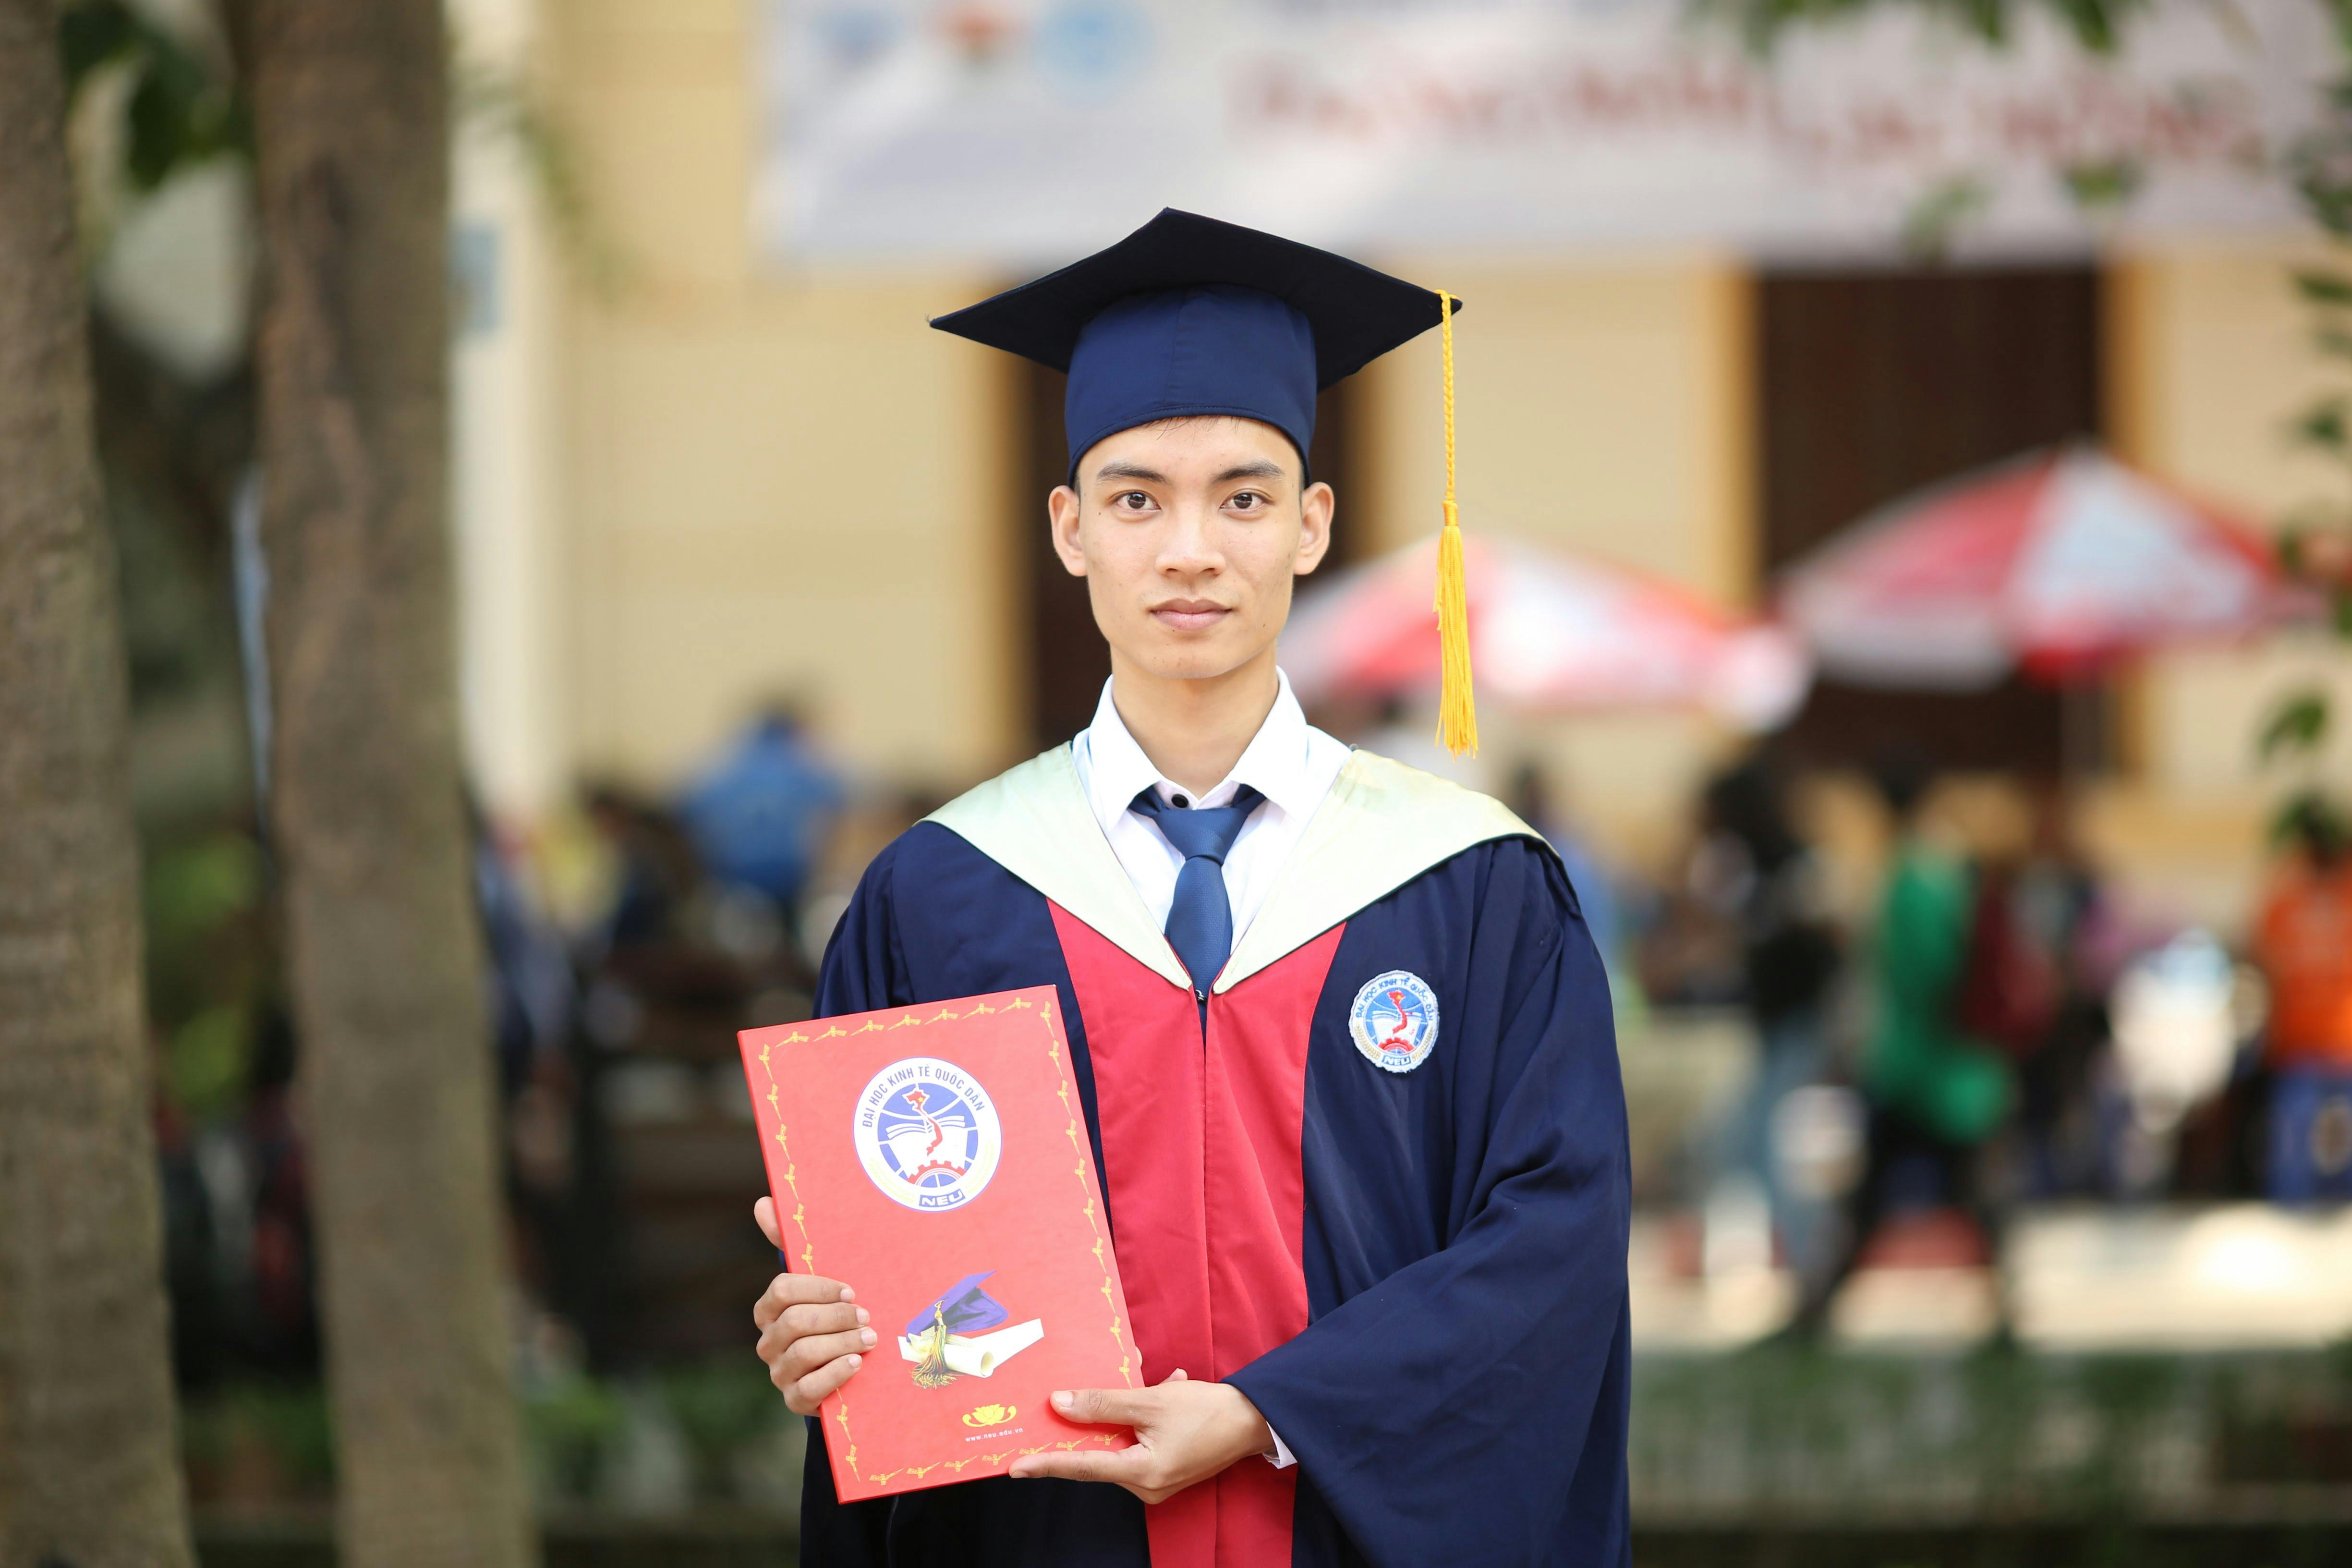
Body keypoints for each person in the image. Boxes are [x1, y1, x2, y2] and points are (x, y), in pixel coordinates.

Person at [749, 210, 1630, 1568]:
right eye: (1135, 497)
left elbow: (1549, 1259)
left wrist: (1268, 1413)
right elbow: (905, 1313)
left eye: (1244, 494)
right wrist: (828, 1332)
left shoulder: (1474, 893)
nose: (1189, 550)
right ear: (1069, 529)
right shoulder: (941, 898)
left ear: (1312, 525)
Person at [1789, 755, 2011, 1337]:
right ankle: (2004, 1311)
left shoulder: (1914, 875)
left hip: (1921, 1066)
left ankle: (1818, 1307)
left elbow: (1928, 971)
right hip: (1945, 1069)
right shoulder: (1939, 866)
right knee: (1958, 1196)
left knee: (1883, 1198)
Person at [2253, 798, 2352, 1203]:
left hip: (2345, 1046)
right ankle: (2291, 1216)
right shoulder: (2285, 898)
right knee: (2294, 1142)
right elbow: (2263, 963)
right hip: (2299, 1045)